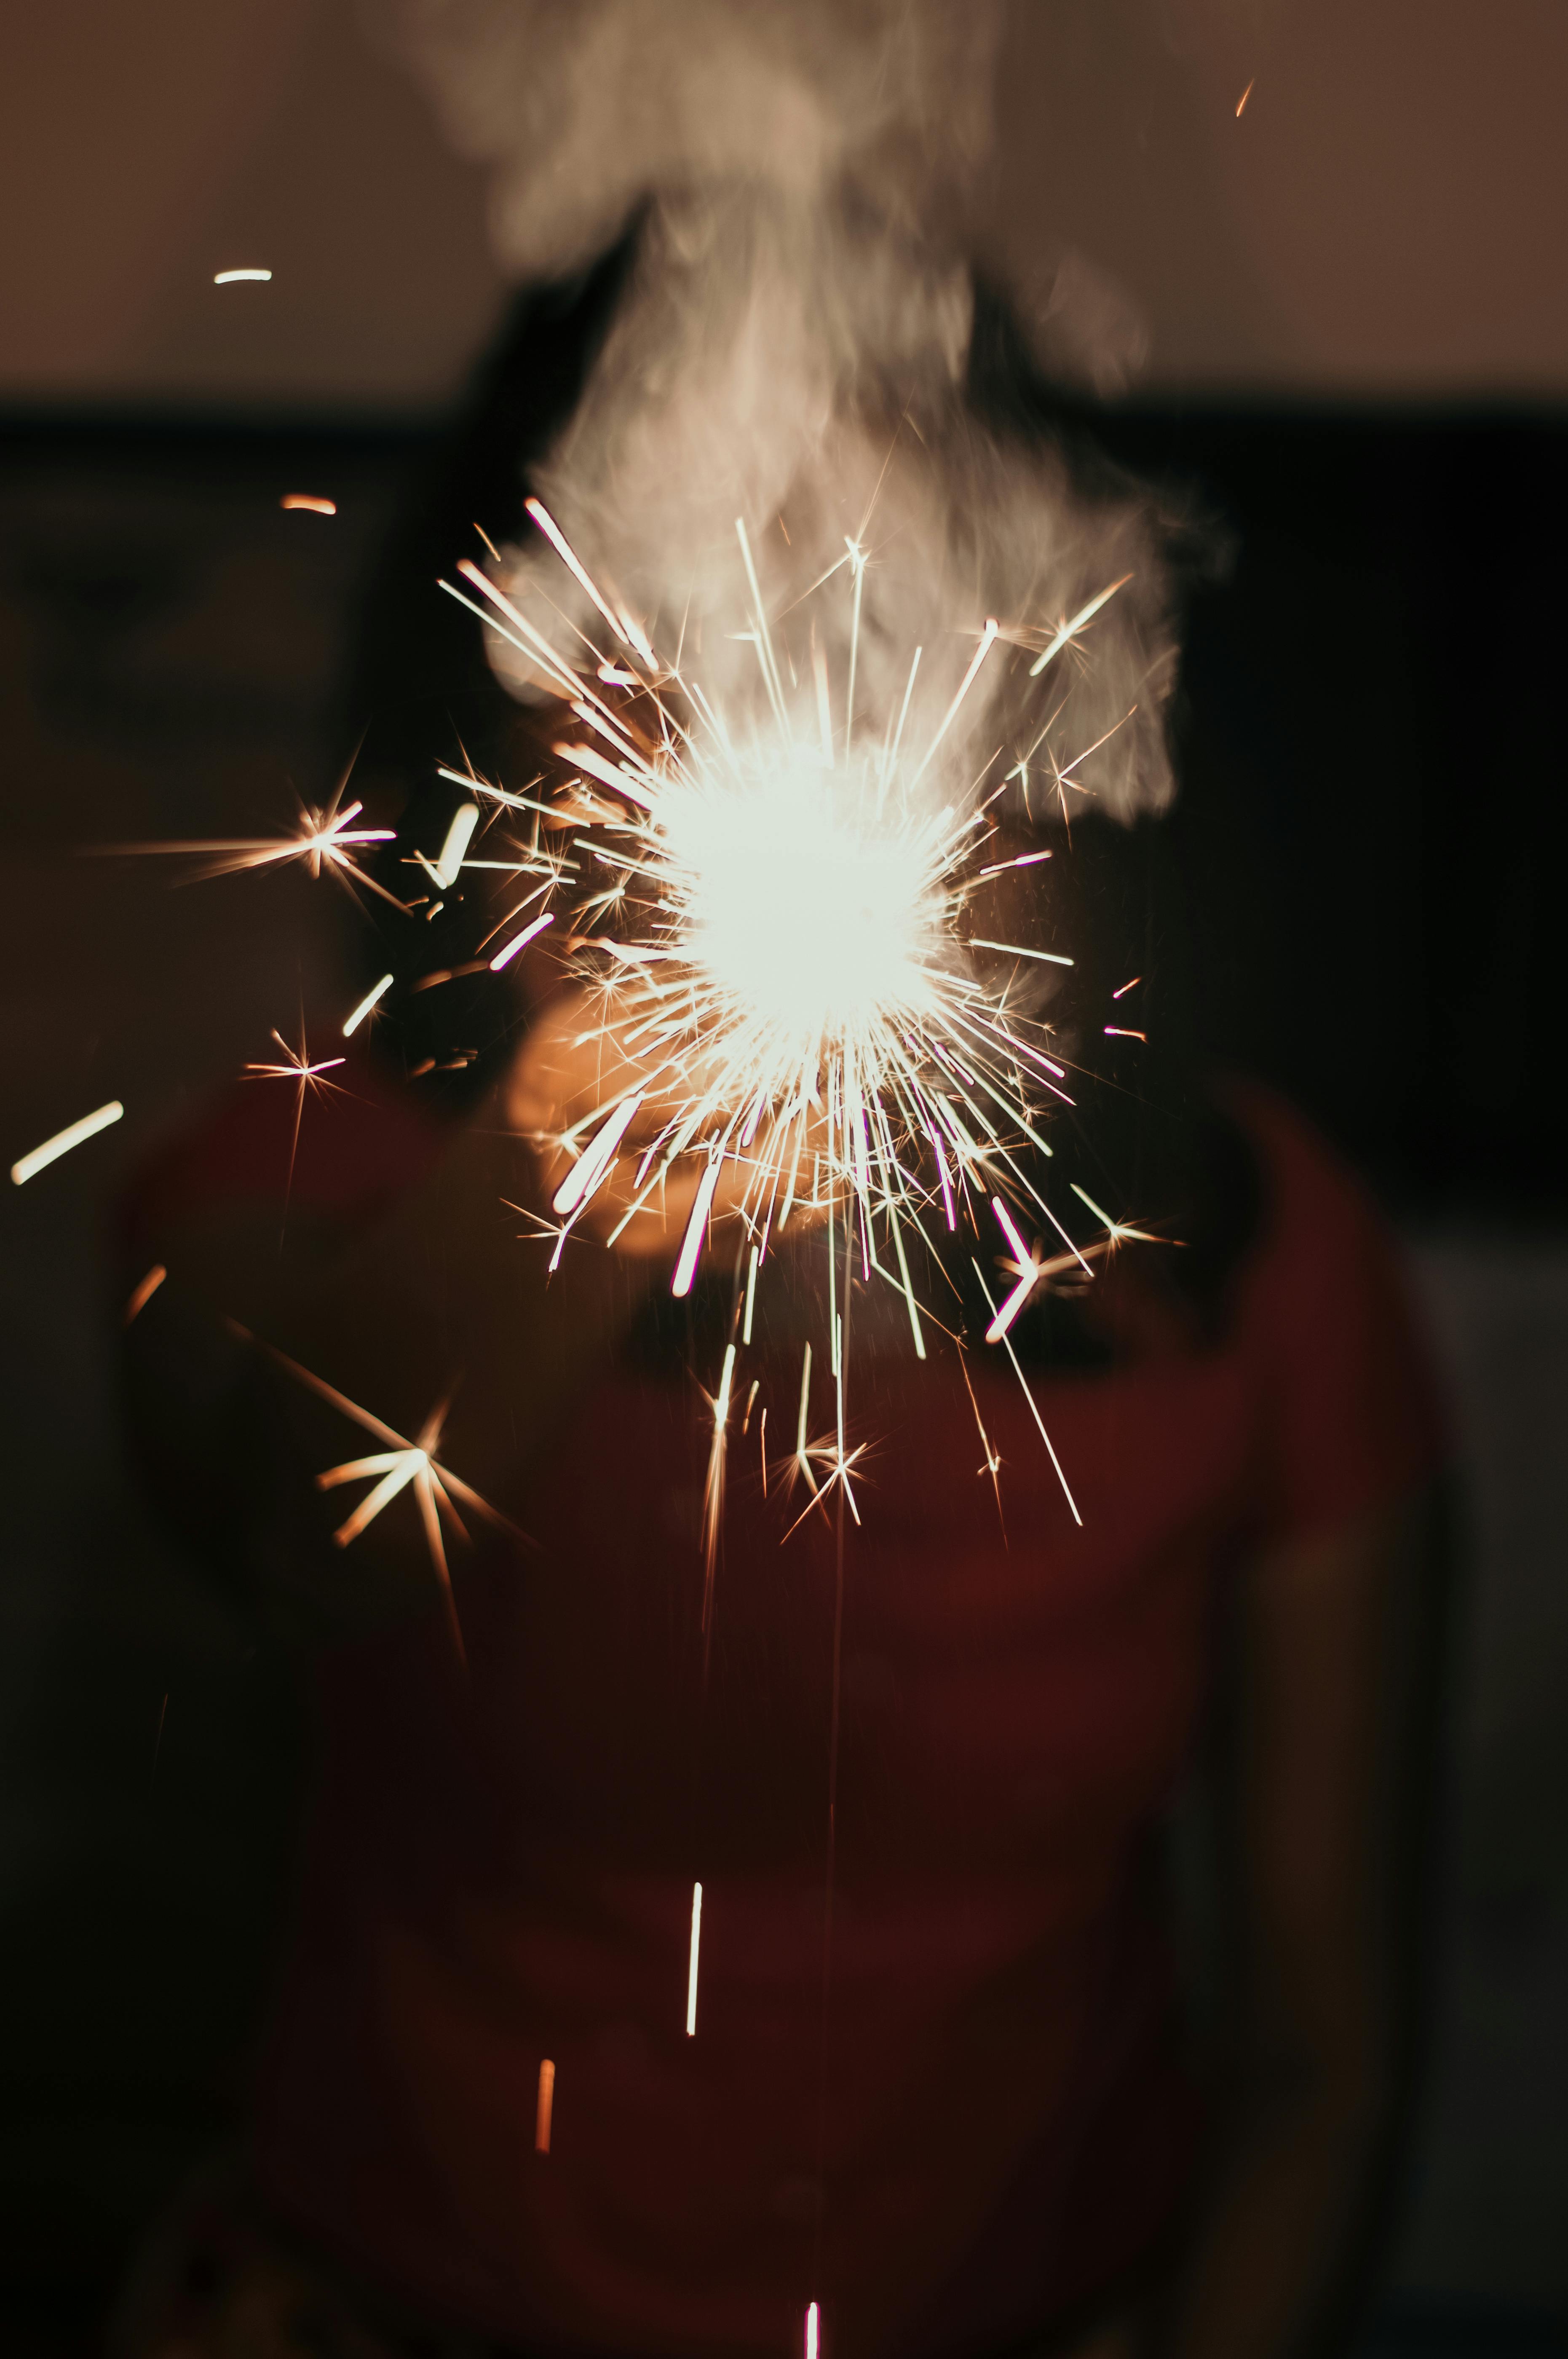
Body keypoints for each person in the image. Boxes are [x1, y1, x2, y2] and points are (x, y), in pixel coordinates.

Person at [112, 266, 1452, 2359]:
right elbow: (294, 1522)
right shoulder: (325, 1168)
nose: (789, 715)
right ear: (522, 686)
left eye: (867, 629)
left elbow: (1321, 2054)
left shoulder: (1246, 1259)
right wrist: (565, 1170)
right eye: (688, 627)